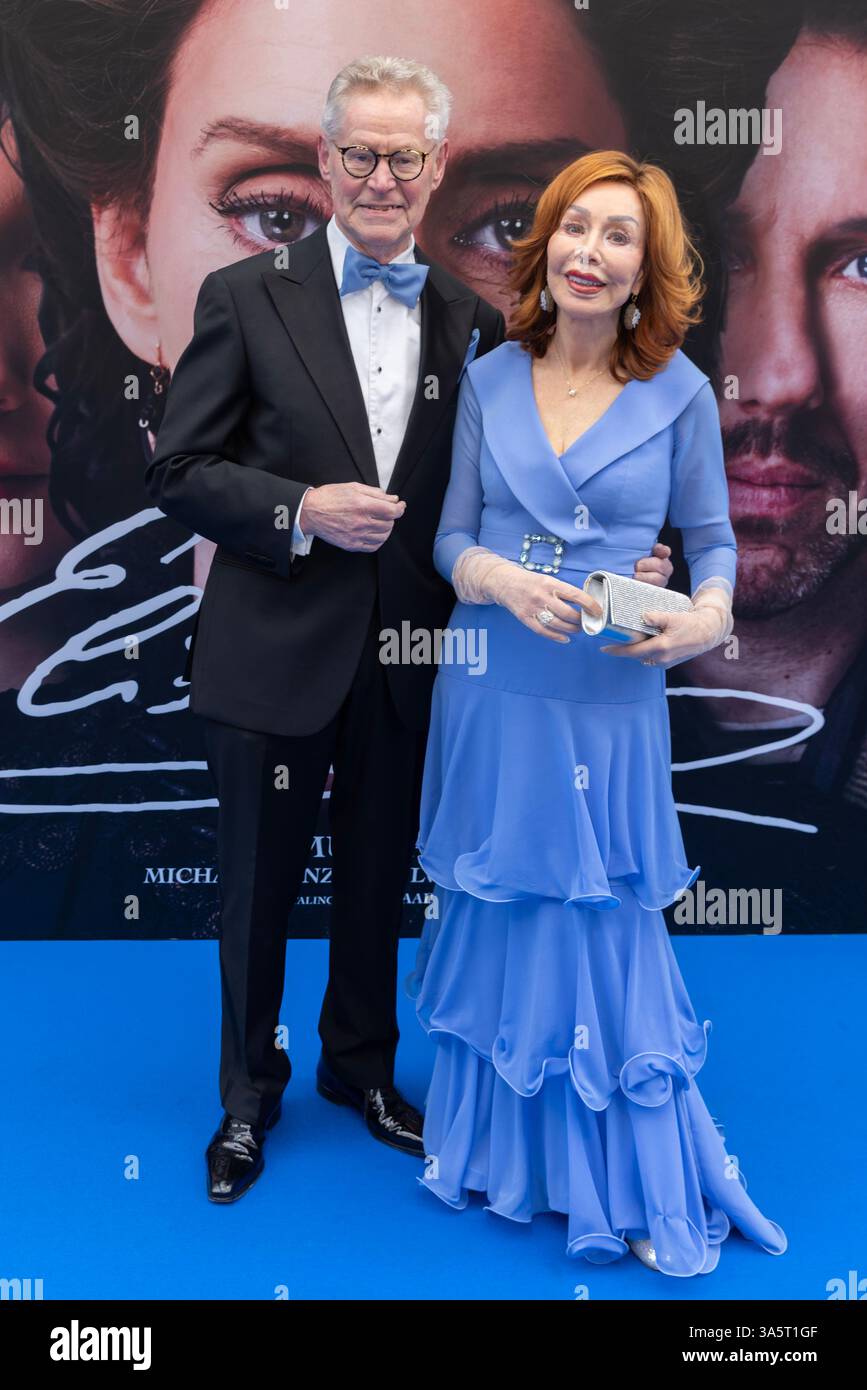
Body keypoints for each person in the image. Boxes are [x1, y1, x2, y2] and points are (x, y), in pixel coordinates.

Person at [145, 56, 679, 1204]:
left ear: (435, 168)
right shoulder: (245, 295)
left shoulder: (469, 321)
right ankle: (246, 1100)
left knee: (382, 879)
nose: (381, 177)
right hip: (270, 651)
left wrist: (625, 567)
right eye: (359, 153)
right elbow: (179, 469)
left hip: (410, 659)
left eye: (405, 156)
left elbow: (503, 497)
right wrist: (297, 510)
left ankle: (363, 1070)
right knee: (256, 889)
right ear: (327, 159)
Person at [408, 150, 788, 1275]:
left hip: (610, 699)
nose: (590, 251)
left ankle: (617, 1176)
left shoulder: (680, 395)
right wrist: (497, 581)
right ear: (547, 247)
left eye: (618, 236)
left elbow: (712, 546)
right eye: (575, 228)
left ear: (645, 269)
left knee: (602, 922)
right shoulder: (487, 377)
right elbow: (447, 536)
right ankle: (504, 1160)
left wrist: (705, 614)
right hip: (492, 688)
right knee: (505, 911)